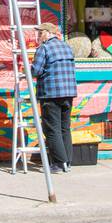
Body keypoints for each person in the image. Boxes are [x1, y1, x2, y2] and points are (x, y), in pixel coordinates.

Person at [30, 21, 77, 173]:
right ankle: (67, 163)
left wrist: (27, 68)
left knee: (51, 129)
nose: (38, 36)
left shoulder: (44, 48)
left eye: (40, 33)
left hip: (51, 93)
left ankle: (58, 163)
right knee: (65, 128)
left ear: (48, 33)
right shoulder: (67, 47)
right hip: (68, 93)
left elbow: (36, 71)